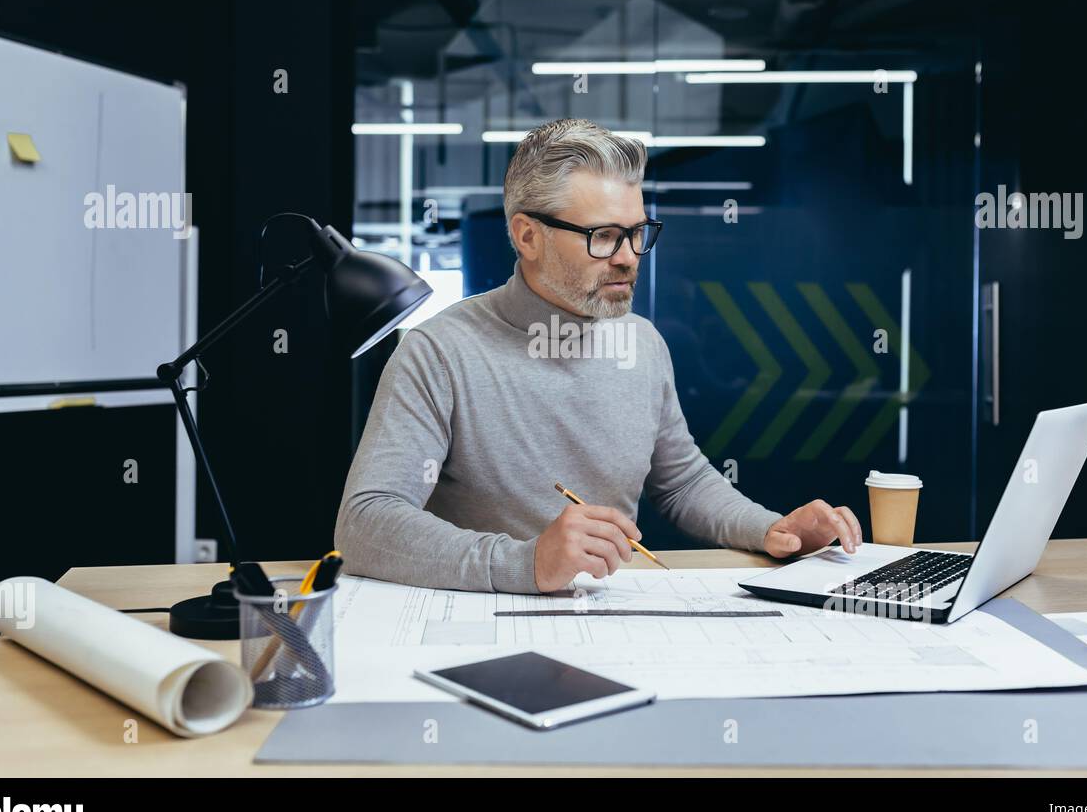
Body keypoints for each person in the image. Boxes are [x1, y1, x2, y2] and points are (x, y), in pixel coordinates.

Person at [334, 118, 861, 593]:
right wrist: (527, 563)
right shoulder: (439, 352)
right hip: (477, 622)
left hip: (609, 615)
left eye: (636, 234)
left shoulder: (643, 343)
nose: (629, 258)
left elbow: (681, 481)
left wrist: (770, 529)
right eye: (604, 237)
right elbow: (366, 522)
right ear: (527, 236)